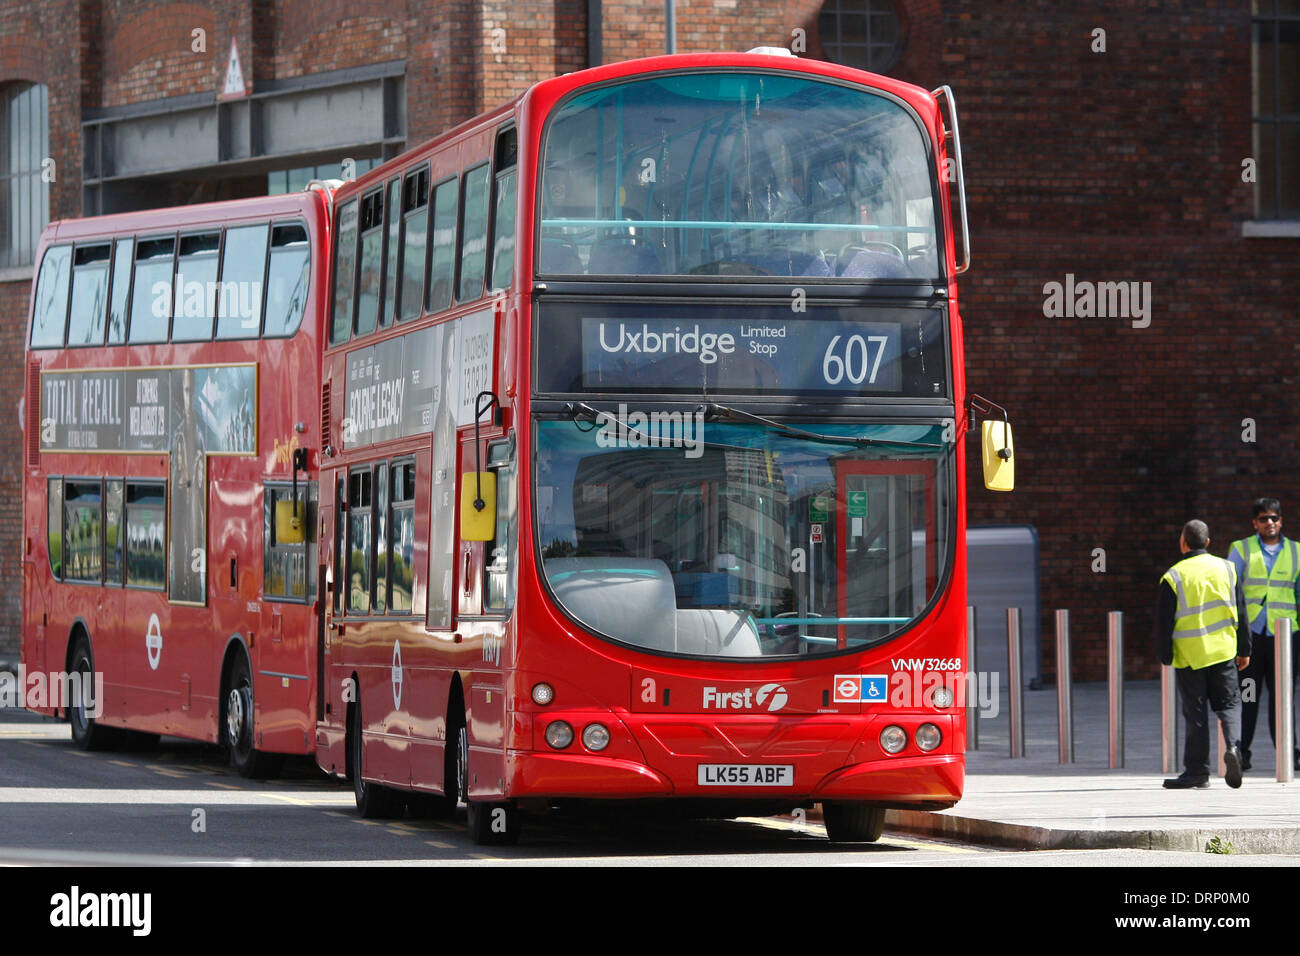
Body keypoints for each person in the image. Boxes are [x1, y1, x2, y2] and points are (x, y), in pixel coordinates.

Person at [1155, 519, 1251, 789]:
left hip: (1190, 656)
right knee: (1230, 706)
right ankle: (1233, 748)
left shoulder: (1174, 575)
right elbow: (1242, 613)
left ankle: (1197, 772)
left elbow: (1163, 622)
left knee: (1195, 714)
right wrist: (1244, 650)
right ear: (1208, 542)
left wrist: (1165, 655)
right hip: (1223, 652)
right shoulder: (1228, 569)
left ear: (1183, 542)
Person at [1226, 497, 1300, 771]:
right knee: (1248, 695)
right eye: (1263, 518)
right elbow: (1229, 591)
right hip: (1252, 637)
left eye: (1274, 518)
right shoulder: (1241, 549)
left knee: (1283, 697)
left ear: (1281, 520)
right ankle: (1241, 752)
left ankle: (1288, 753)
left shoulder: (1296, 551)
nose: (1269, 523)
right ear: (1254, 522)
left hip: (1286, 636)